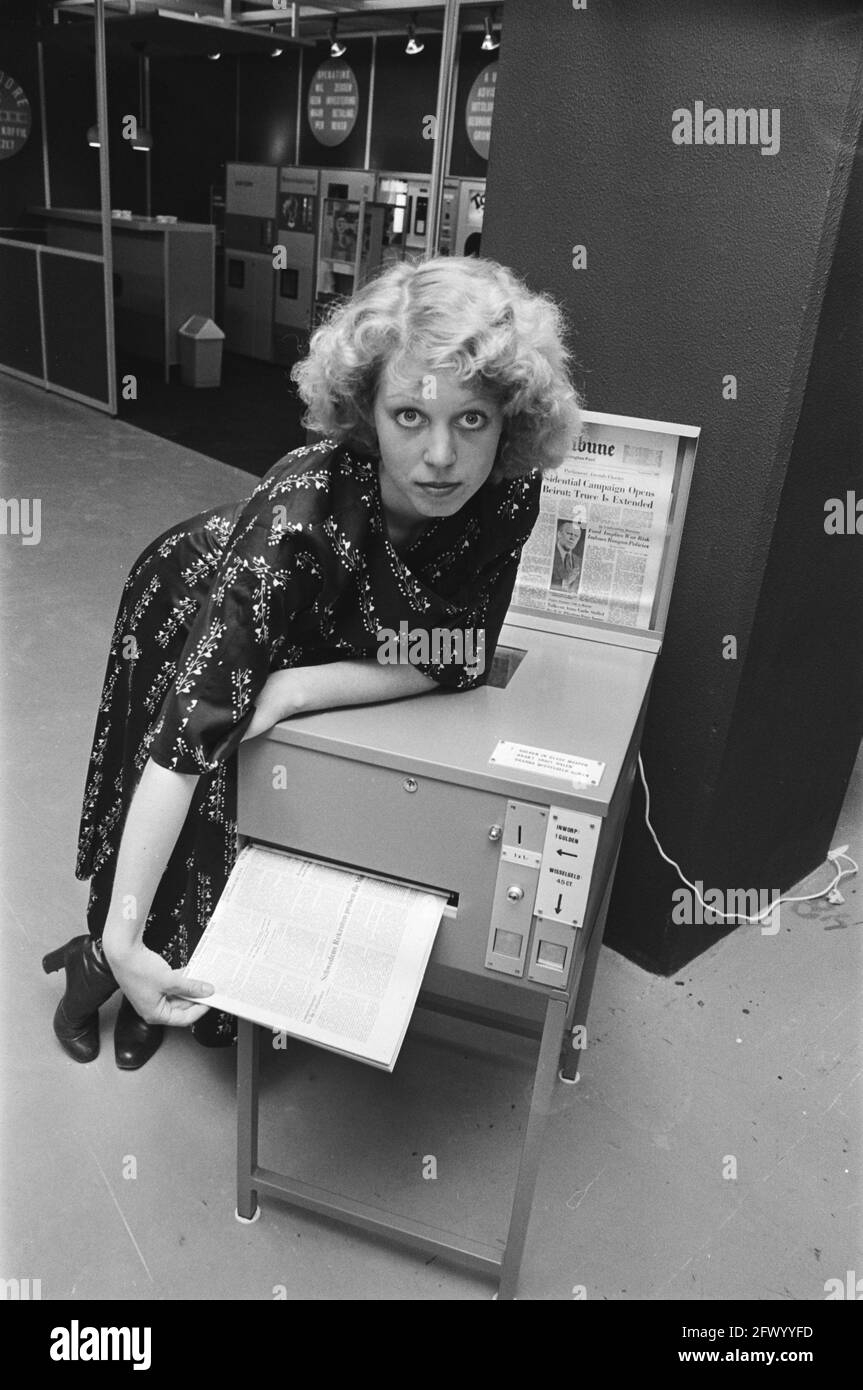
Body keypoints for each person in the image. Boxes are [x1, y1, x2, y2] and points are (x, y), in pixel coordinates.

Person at [43, 255, 581, 1070]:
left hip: (321, 640)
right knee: (202, 772)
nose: (441, 455)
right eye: (409, 415)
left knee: (250, 801)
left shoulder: (505, 492)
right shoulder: (299, 514)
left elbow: (461, 653)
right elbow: (177, 752)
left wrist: (297, 688)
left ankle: (163, 981)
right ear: (365, 411)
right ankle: (105, 963)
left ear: (509, 419)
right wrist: (121, 939)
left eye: (470, 419)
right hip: (203, 593)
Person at [550, 513, 587, 592]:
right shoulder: (549, 554)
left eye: (576, 536)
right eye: (569, 533)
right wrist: (565, 582)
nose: (572, 538)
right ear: (559, 534)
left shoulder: (579, 561)